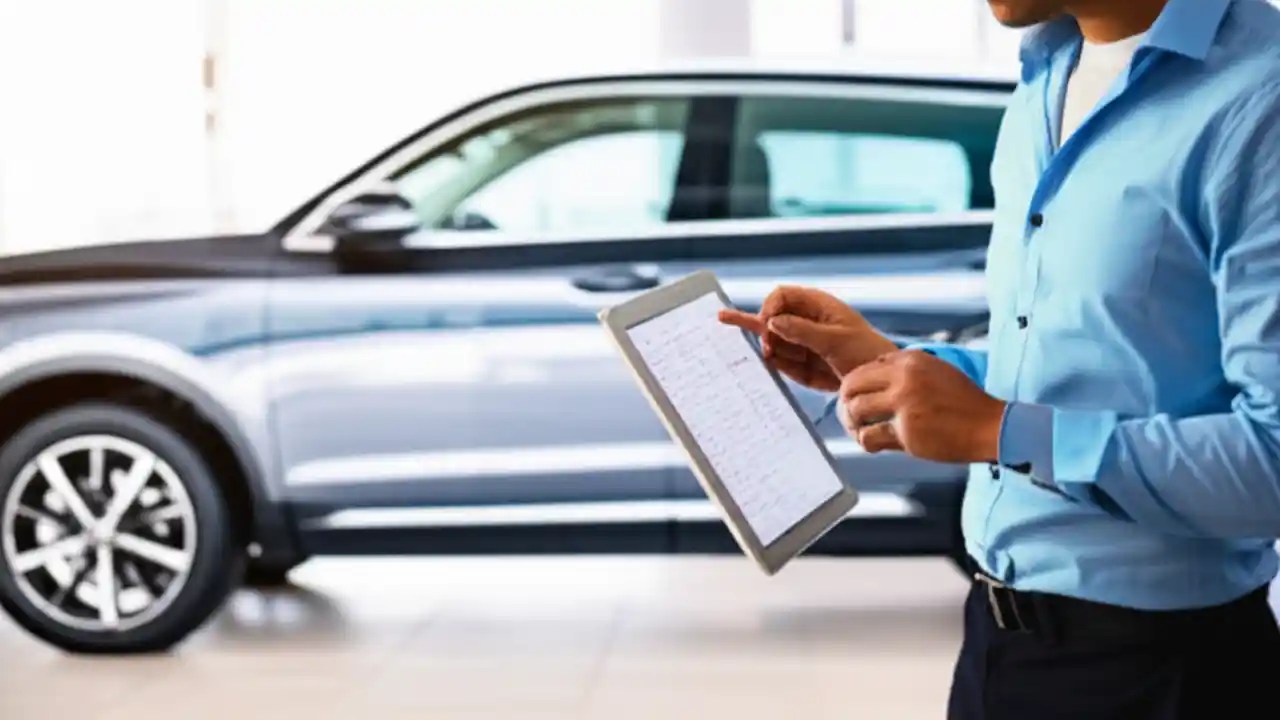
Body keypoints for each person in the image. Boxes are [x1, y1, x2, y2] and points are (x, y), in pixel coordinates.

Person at [721, 0, 1280, 717]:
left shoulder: (1260, 99)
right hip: (997, 645)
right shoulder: (1044, 72)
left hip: (1166, 675)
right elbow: (1081, 370)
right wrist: (895, 368)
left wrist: (999, 430)